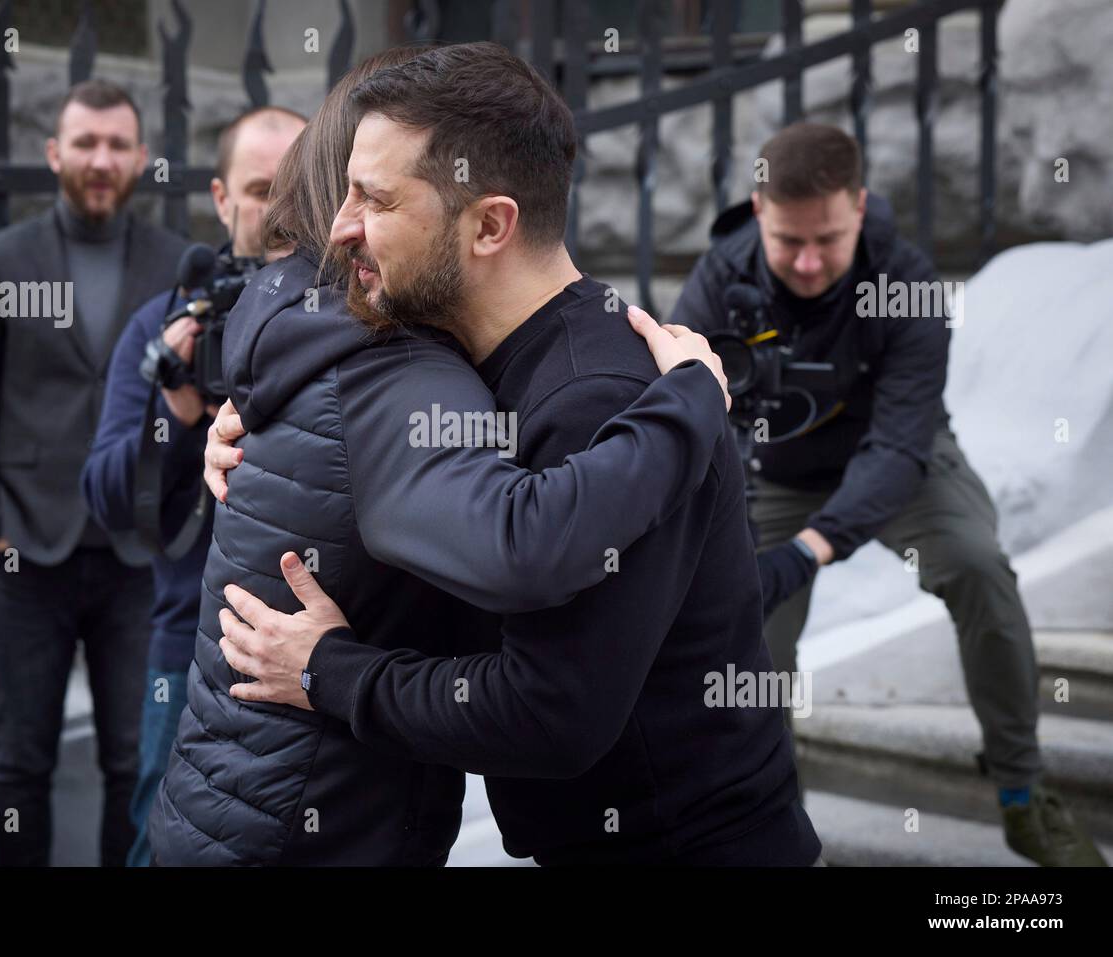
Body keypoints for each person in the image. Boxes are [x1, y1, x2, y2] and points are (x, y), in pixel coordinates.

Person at [192, 42, 822, 866]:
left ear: (490, 223)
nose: (341, 226)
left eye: (375, 199)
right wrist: (256, 433)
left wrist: (329, 670)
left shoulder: (600, 395)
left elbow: (550, 717)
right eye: (347, 190)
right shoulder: (463, 362)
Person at [666, 121, 1104, 867]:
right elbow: (683, 412)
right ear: (758, 211)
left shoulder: (904, 283)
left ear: (860, 207)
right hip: (779, 471)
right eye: (788, 242)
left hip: (905, 459)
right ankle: (779, 823)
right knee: (751, 636)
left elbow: (899, 445)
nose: (808, 262)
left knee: (978, 568)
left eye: (828, 239)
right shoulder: (717, 279)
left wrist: (808, 552)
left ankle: (1024, 792)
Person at [0, 79, 188, 866]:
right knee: (19, 764)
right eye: (85, 142)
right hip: (27, 556)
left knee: (134, 762)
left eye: (118, 144)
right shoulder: (0, 258)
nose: (101, 159)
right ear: (55, 154)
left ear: (142, 157)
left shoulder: (177, 263)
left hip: (136, 556)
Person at [80, 106, 305, 867]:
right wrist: (175, 412)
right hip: (190, 643)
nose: (277, 212)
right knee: (163, 840)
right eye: (258, 188)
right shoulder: (165, 324)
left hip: (325, 646)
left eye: (297, 189)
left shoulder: (352, 316)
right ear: (219, 198)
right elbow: (107, 495)